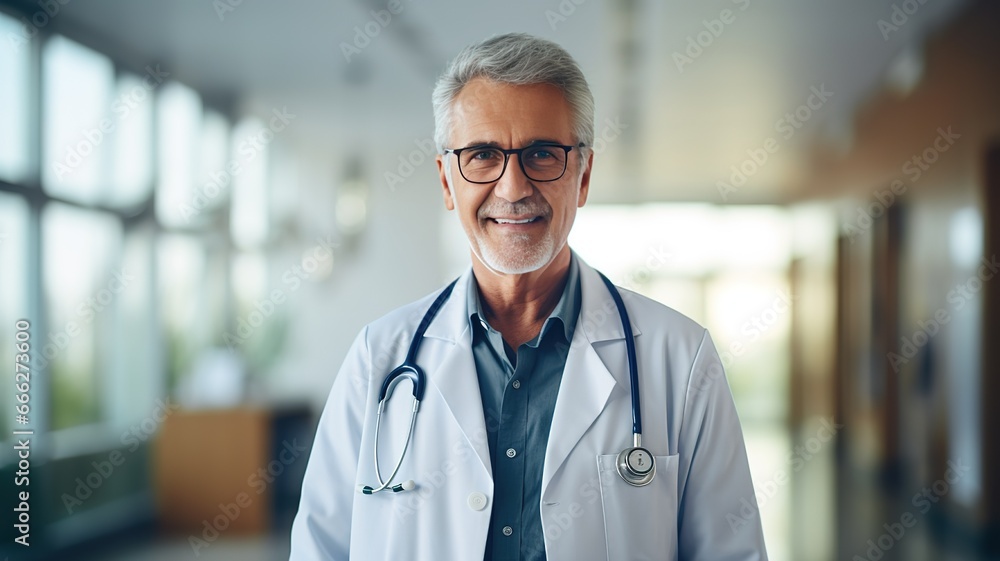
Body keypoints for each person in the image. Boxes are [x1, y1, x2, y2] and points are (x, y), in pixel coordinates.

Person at [290, 32, 768, 560]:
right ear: (448, 183)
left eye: (542, 154)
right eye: (482, 155)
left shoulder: (679, 357)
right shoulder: (378, 358)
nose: (513, 187)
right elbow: (321, 547)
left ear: (583, 176)